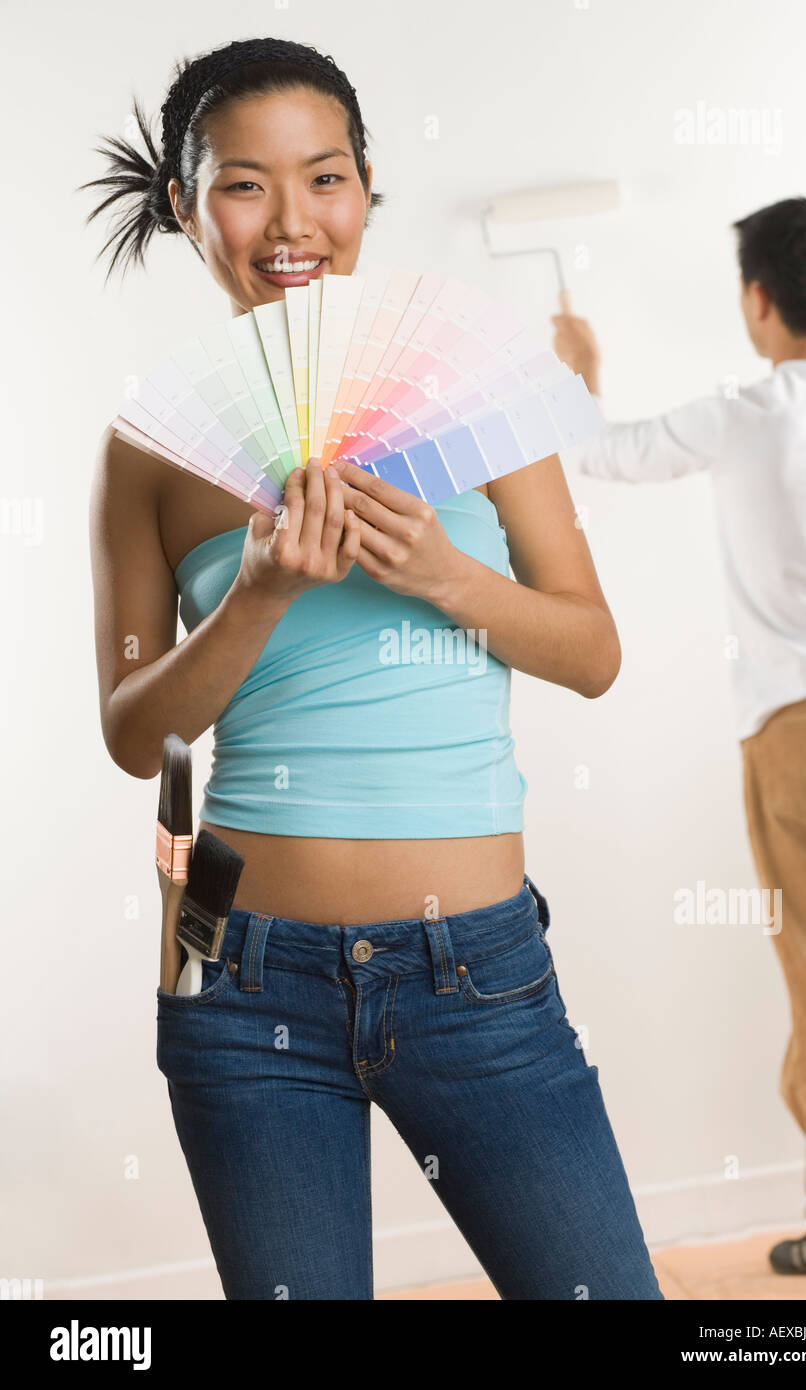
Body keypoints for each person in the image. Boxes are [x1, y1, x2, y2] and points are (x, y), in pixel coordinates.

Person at [82, 36, 663, 1301]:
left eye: (325, 176)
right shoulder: (148, 451)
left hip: (475, 963)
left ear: (365, 188)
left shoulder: (480, 384)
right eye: (242, 184)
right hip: (228, 963)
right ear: (188, 205)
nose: (290, 222)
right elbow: (139, 736)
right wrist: (257, 594)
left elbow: (594, 652)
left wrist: (446, 579)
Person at [552, 194, 806, 1276]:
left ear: (756, 299)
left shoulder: (748, 414)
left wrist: (574, 364)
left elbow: (595, 452)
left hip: (805, 733)